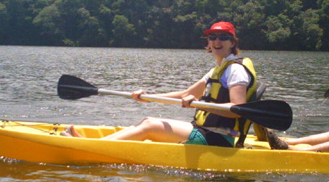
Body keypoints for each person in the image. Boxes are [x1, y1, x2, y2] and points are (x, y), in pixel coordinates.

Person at [64, 21, 260, 147]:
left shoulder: (235, 70)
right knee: (147, 120)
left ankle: (91, 147)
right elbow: (186, 93)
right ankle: (99, 144)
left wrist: (197, 103)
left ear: (232, 42)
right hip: (206, 131)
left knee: (150, 125)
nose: (217, 41)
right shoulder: (217, 70)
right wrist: (148, 98)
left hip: (219, 139)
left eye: (223, 38)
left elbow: (237, 109)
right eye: (212, 37)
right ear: (208, 42)